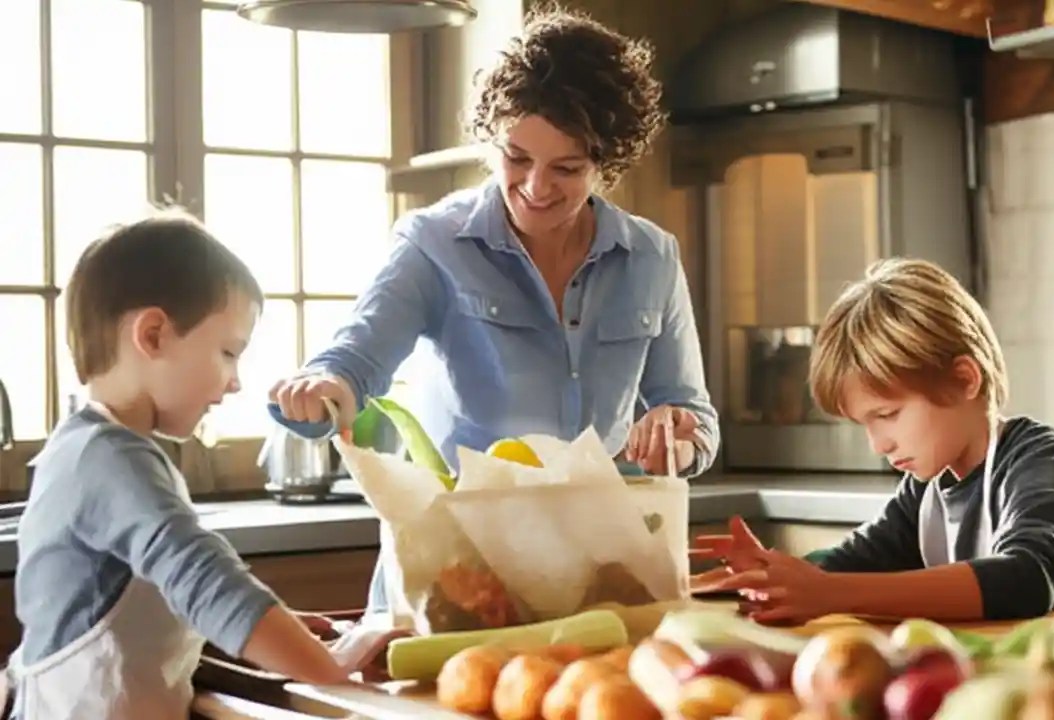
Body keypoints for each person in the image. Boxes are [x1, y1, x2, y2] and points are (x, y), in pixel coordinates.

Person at [269, 9, 719, 611]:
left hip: (595, 581)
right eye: (516, 158)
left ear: (606, 161)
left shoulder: (652, 258)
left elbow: (693, 417)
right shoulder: (431, 244)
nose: (536, 186)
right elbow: (353, 360)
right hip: (454, 576)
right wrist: (320, 392)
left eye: (566, 168)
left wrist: (678, 438)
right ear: (490, 140)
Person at [6, 212, 401, 719]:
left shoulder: (96, 448)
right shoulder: (109, 459)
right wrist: (328, 665)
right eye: (228, 352)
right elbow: (205, 580)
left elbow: (169, 597)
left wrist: (284, 626)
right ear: (152, 335)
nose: (234, 381)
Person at [692, 258, 1054, 624]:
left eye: (888, 415)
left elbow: (1027, 579)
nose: (878, 445)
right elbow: (858, 560)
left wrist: (831, 593)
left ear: (964, 380)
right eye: (865, 423)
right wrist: (779, 574)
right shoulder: (927, 487)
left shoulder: (1044, 468)